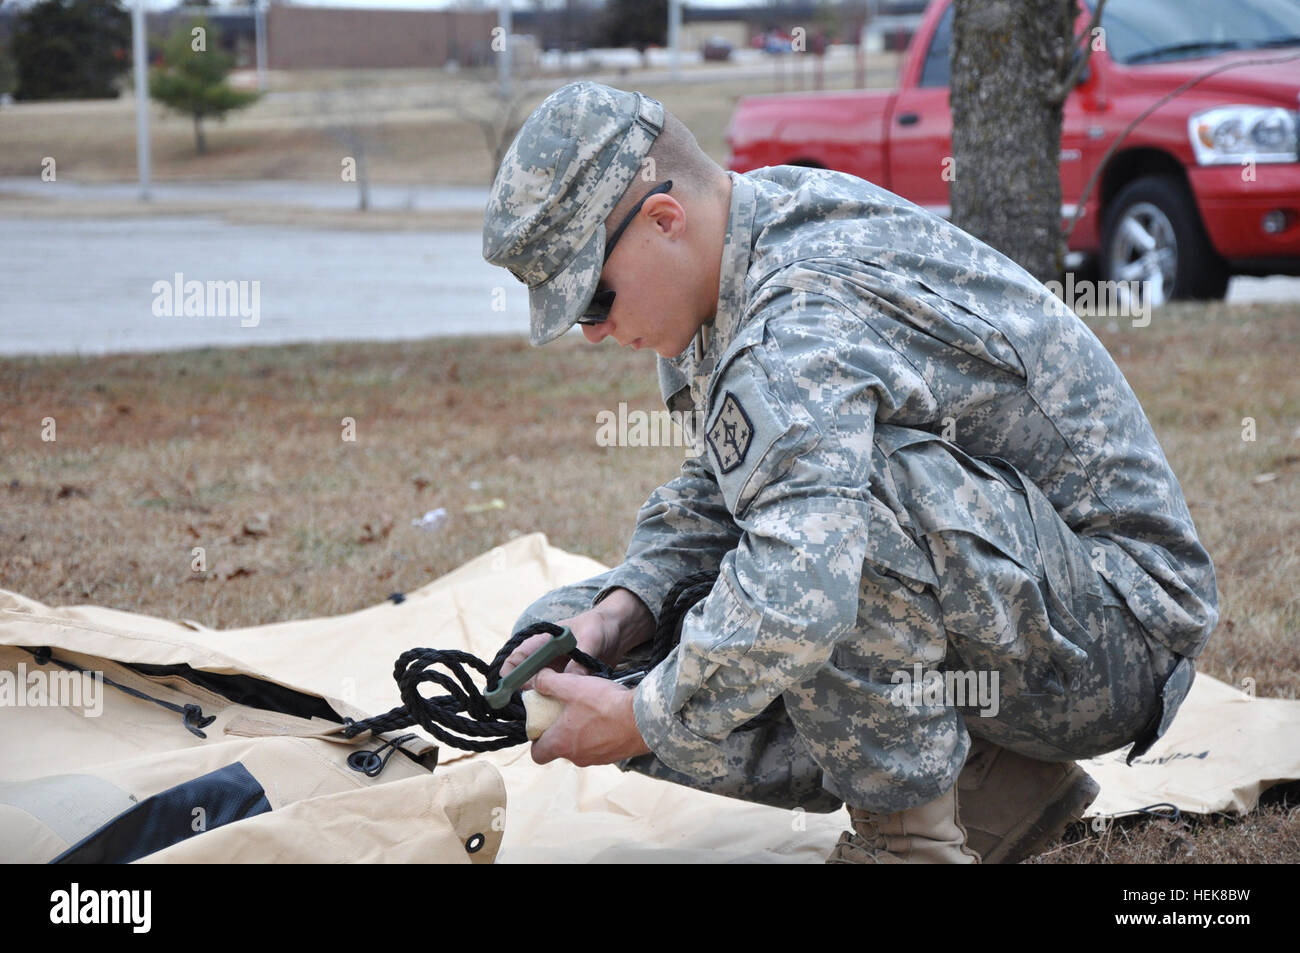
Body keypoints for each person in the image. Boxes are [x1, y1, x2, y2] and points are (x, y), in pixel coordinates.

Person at [481, 81, 1219, 863]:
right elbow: (722, 491)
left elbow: (801, 577)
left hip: (1123, 631)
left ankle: (911, 845)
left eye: (594, 299)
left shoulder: (796, 317)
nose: (593, 333)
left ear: (665, 220)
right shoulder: (741, 244)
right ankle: (993, 786)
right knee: (602, 648)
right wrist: (616, 615)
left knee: (824, 546)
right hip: (1036, 612)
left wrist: (639, 717)